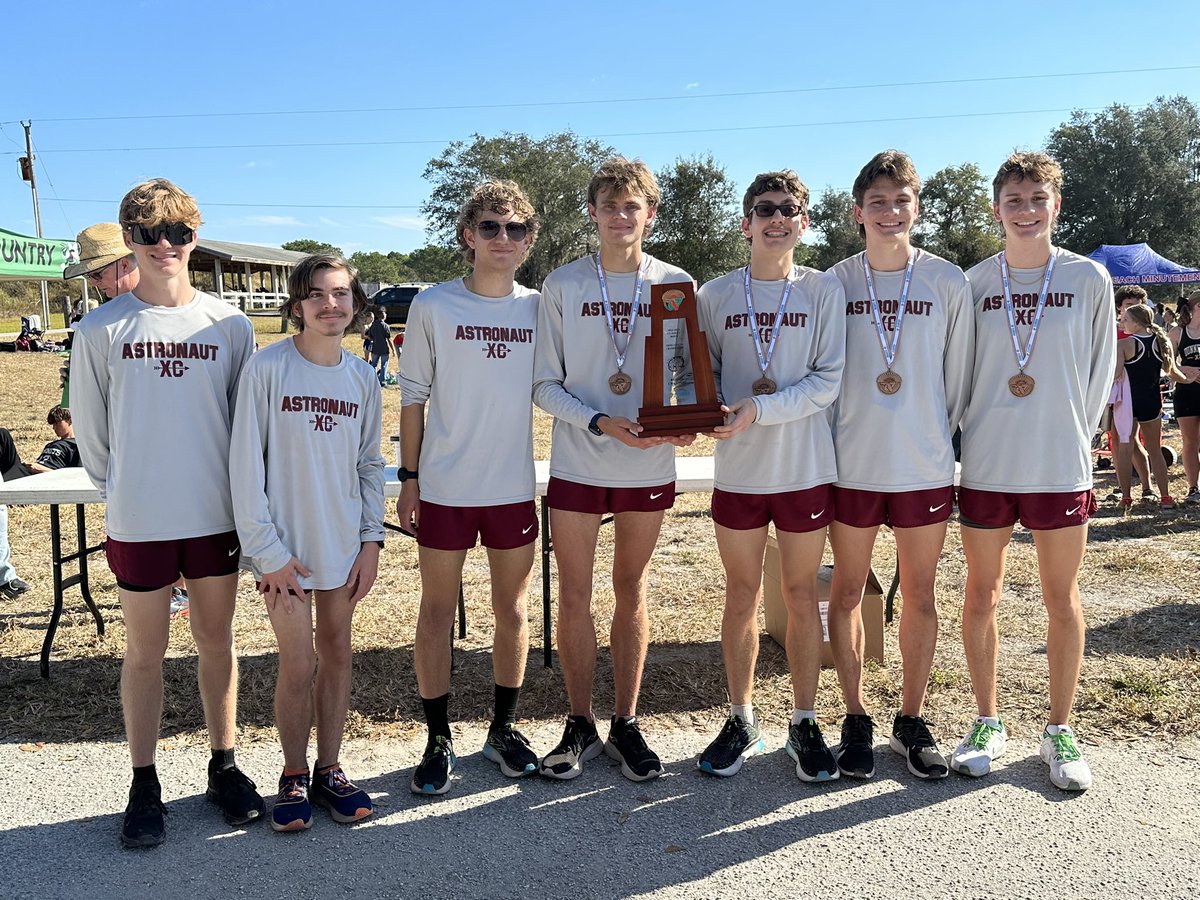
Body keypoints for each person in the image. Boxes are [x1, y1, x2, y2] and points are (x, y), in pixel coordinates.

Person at [70, 178, 262, 848]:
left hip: (214, 514)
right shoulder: (100, 329)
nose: (164, 245)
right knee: (145, 653)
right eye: (149, 234)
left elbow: (245, 424)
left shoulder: (229, 325)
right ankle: (144, 781)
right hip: (141, 518)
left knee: (217, 642)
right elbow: (95, 438)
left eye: (177, 233)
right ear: (129, 240)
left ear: (194, 237)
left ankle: (224, 765)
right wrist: (128, 488)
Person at [952, 152, 1115, 792]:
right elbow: (960, 373)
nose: (1026, 211)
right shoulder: (972, 283)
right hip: (988, 462)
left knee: (1061, 598)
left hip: (1058, 461)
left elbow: (1100, 367)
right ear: (996, 209)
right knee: (981, 594)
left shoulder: (1088, 276)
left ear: (1056, 205)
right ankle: (987, 721)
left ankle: (1059, 729)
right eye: (1013, 200)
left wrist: (1078, 434)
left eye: (1037, 198)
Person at [533, 157, 694, 782]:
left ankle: (626, 722)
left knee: (632, 587)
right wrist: (599, 421)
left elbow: (686, 372)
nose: (621, 216)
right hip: (580, 459)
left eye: (632, 206)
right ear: (593, 213)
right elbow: (544, 385)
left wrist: (685, 414)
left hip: (647, 461)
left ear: (650, 214)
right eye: (610, 206)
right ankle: (579, 721)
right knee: (574, 591)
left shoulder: (675, 282)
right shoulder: (564, 283)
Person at [693, 171, 846, 781]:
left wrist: (759, 408)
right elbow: (699, 373)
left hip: (804, 469)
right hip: (739, 472)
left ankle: (804, 721)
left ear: (803, 223)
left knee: (801, 596)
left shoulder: (824, 290)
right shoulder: (714, 295)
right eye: (765, 209)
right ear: (746, 222)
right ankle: (741, 719)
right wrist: (701, 409)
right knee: (741, 595)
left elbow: (828, 380)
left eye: (788, 210)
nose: (776, 218)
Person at [827, 151, 974, 781]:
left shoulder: (946, 280)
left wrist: (932, 433)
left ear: (917, 207)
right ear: (858, 212)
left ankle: (911, 719)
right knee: (846, 592)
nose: (890, 212)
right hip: (852, 465)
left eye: (901, 200)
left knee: (920, 593)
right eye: (878, 202)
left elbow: (958, 379)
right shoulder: (833, 282)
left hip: (923, 465)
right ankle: (855, 716)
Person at [397, 181, 541, 796]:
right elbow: (412, 399)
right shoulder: (433, 305)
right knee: (435, 611)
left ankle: (501, 730)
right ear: (468, 235)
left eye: (515, 228)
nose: (502, 238)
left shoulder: (540, 308)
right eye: (490, 226)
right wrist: (409, 480)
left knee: (512, 610)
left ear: (529, 241)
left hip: (511, 487)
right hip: (445, 488)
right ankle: (437, 737)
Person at [231, 255, 384, 831]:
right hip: (283, 553)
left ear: (355, 303)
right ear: (297, 304)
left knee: (338, 654)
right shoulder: (267, 368)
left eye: (341, 293)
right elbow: (244, 467)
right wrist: (267, 554)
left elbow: (369, 465)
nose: (330, 304)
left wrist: (371, 542)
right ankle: (293, 773)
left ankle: (329, 770)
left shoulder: (362, 378)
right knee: (298, 662)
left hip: (342, 544)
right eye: (317, 294)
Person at [1116, 302, 1193, 509]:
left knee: (1125, 448)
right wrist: (1187, 380)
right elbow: (1173, 371)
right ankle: (1165, 497)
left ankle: (1126, 498)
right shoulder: (1161, 342)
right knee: (1155, 449)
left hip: (1128, 402)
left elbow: (1115, 375)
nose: (1122, 323)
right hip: (1151, 401)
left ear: (1137, 322)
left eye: (1125, 320)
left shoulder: (1124, 345)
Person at [0, 406, 81, 600]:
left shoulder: (76, 446)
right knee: (3, 435)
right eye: (52, 424)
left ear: (70, 421)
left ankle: (4, 578)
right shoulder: (53, 444)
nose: (54, 428)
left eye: (57, 423)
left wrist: (41, 470)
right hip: (28, 472)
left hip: (42, 476)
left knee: (2, 436)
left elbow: (74, 475)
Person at [1112, 287, 1154, 501]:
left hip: (1139, 393)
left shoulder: (1147, 333)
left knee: (1132, 439)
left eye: (1139, 304)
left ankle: (1147, 487)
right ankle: (1122, 487)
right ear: (1119, 307)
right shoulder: (1110, 329)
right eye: (1129, 305)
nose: (1134, 309)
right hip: (1115, 392)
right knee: (1117, 439)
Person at [1169, 292, 1200, 502]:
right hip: (1186, 392)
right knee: (1190, 442)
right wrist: (1185, 370)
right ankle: (1193, 487)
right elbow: (1167, 364)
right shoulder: (1178, 332)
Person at [366, 308, 391, 385]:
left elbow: (369, 336)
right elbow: (388, 338)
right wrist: (392, 349)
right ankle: (382, 380)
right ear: (384, 316)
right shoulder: (386, 326)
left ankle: (372, 379)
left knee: (374, 364)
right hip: (384, 348)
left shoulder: (373, 325)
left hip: (375, 348)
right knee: (384, 364)